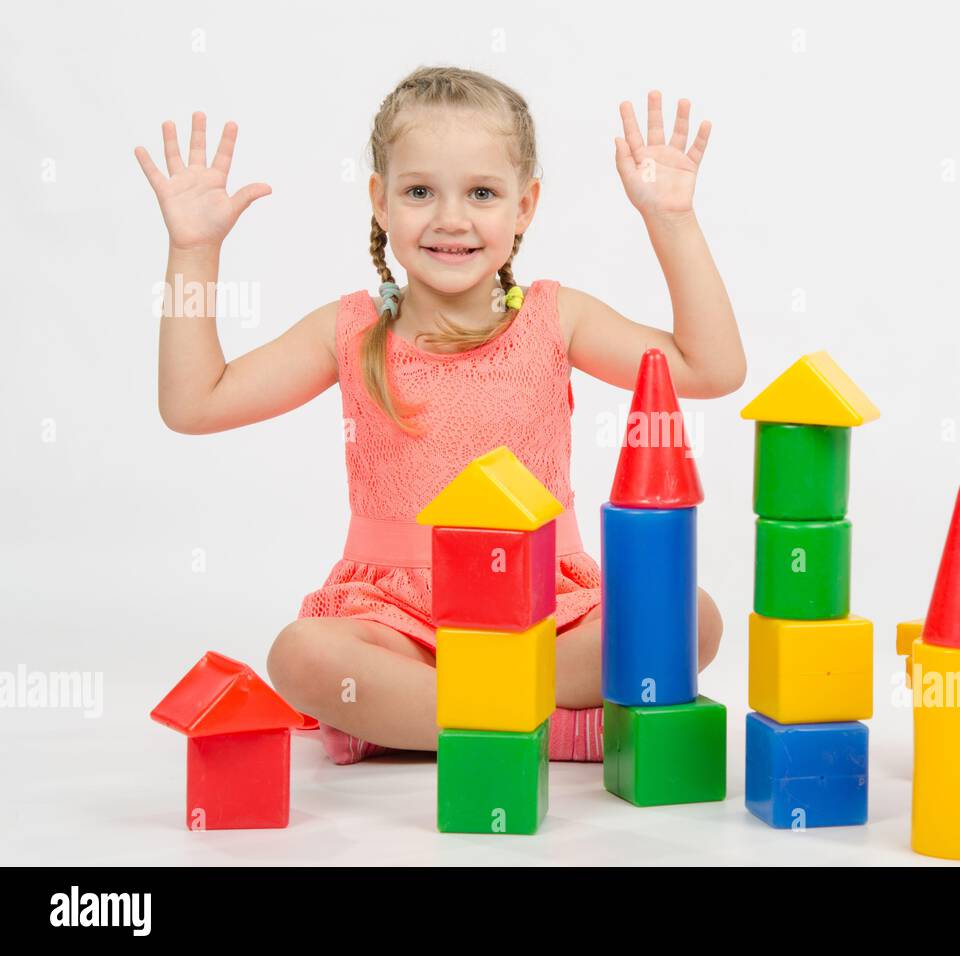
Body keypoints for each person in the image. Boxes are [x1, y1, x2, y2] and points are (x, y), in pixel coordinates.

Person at [136, 66, 745, 765]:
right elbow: (194, 403)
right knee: (301, 654)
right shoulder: (347, 328)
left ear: (525, 206)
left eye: (482, 193)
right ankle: (542, 724)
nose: (450, 218)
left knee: (689, 615)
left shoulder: (558, 317)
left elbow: (710, 369)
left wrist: (671, 221)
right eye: (420, 191)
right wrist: (193, 252)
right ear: (380, 202)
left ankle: (429, 719)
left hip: (545, 609)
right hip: (396, 624)